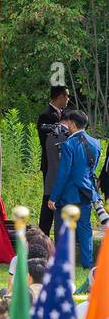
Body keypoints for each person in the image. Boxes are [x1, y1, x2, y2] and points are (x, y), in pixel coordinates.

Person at [48, 108, 101, 268]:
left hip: (69, 194)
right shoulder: (96, 143)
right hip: (86, 192)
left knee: (64, 230)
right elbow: (92, 169)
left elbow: (64, 173)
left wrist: (53, 196)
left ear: (71, 124)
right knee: (85, 229)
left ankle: (64, 262)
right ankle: (88, 263)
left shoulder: (68, 144)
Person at [38, 85, 71, 235]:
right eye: (67, 96)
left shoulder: (66, 114)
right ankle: (43, 233)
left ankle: (62, 230)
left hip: (65, 163)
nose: (68, 99)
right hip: (51, 164)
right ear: (60, 96)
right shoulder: (45, 115)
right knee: (49, 197)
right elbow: (45, 140)